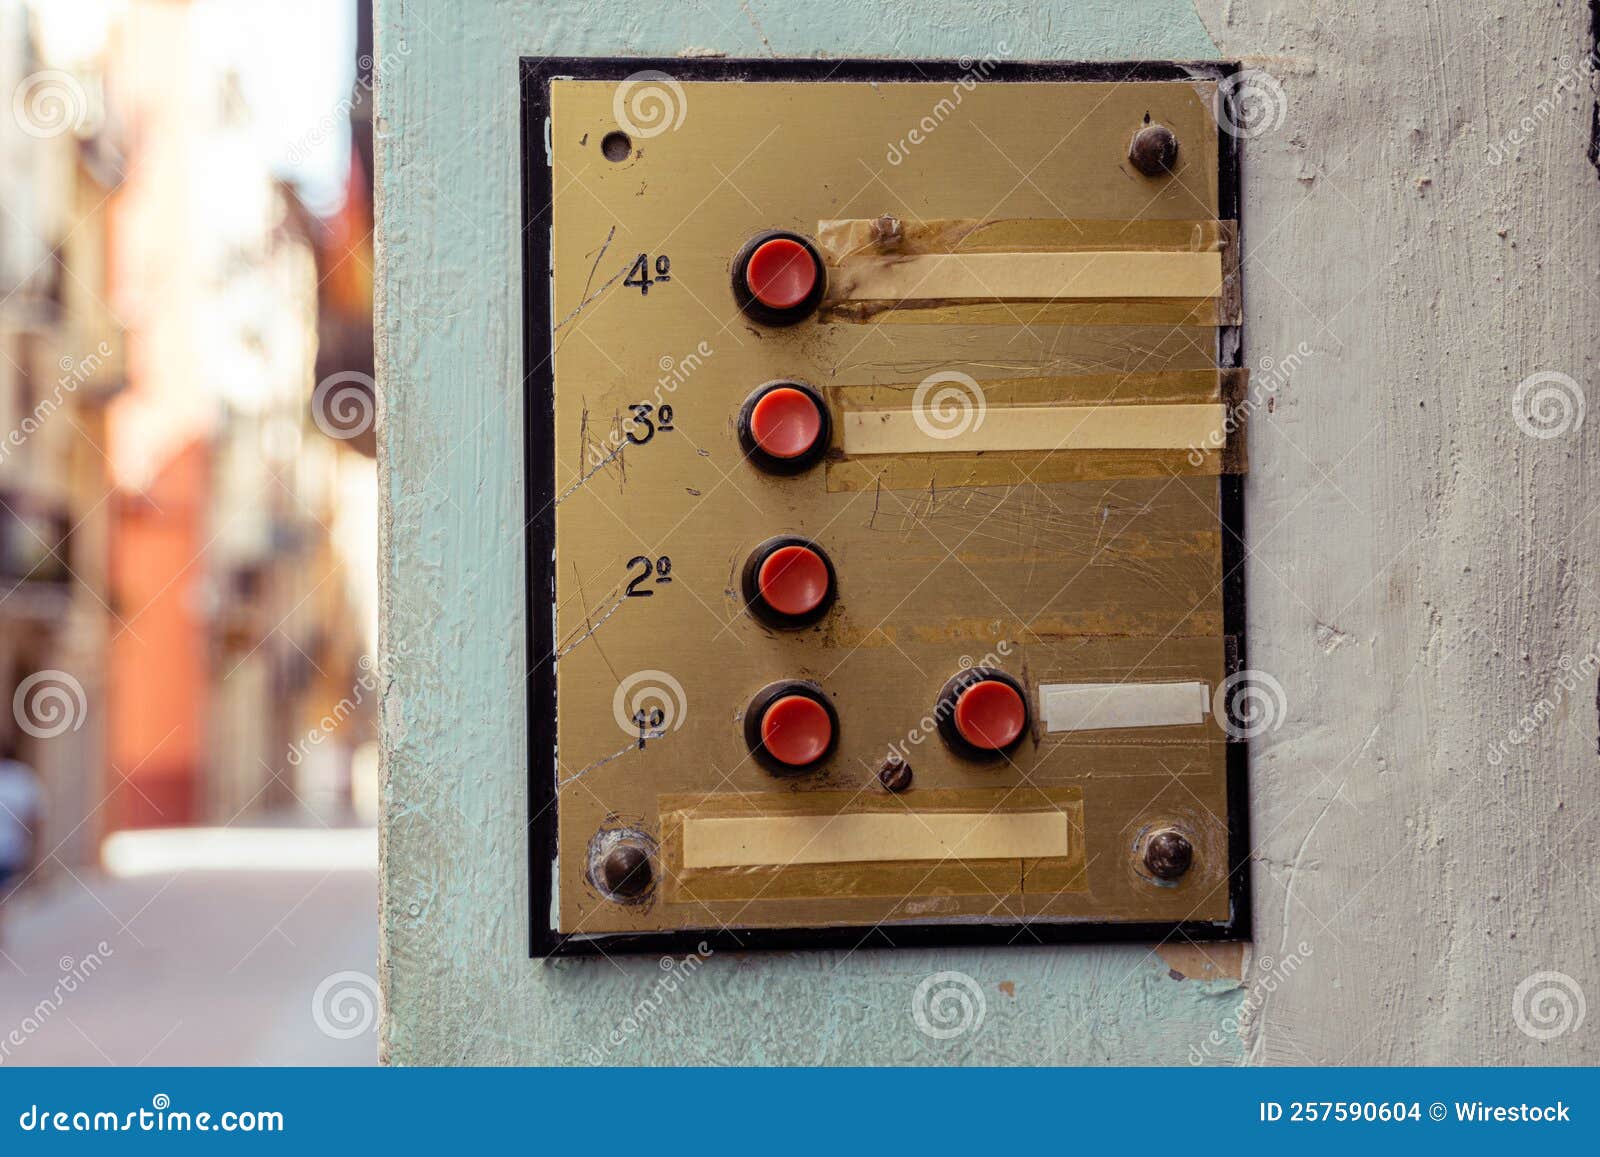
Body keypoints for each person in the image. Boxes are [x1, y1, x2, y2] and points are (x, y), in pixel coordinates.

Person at [0, 739, 42, 934]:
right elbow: (35, 818)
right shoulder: (23, 778)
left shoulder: (20, 778)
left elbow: (34, 818)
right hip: (12, 850)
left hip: (9, 851)